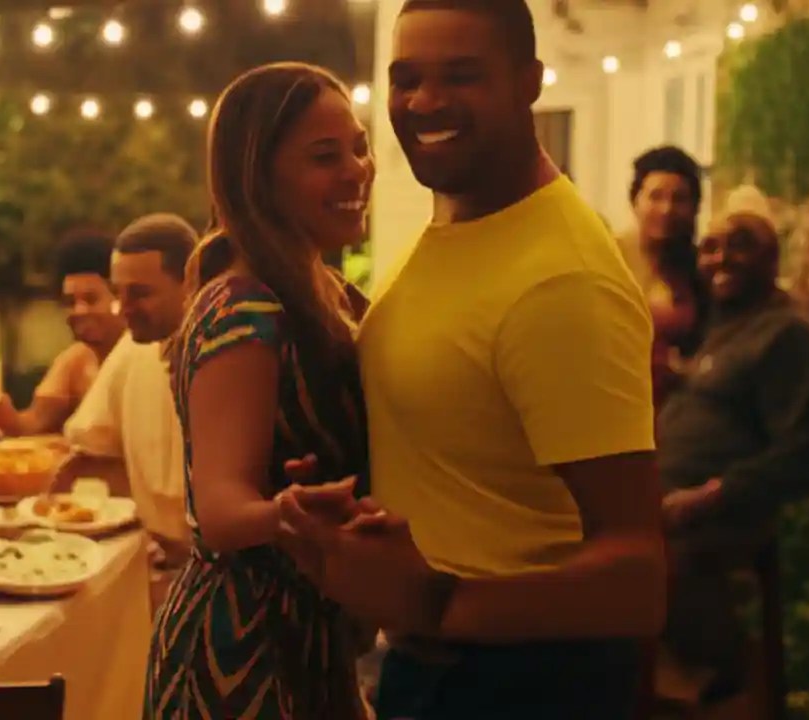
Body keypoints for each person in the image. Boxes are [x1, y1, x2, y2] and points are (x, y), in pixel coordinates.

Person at [277, 2, 665, 718]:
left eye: (461, 76)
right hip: (431, 665)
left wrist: (436, 600)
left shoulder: (561, 279)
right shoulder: (455, 224)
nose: (424, 102)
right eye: (406, 78)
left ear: (529, 82)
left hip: (523, 684)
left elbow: (636, 579)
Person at [143, 62, 374, 719]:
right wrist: (293, 511)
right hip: (244, 644)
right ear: (259, 177)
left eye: (359, 147)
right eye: (325, 157)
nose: (357, 170)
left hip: (304, 630)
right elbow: (219, 511)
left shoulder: (325, 291)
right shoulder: (245, 307)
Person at [656, 210, 809, 700]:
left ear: (772, 258)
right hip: (667, 507)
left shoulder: (786, 334)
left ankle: (706, 682)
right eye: (710, 247)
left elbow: (807, 454)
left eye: (739, 245)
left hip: (713, 520)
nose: (721, 258)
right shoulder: (724, 328)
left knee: (625, 567)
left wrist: (708, 497)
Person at [58, 214, 198, 566]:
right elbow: (91, 453)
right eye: (119, 293)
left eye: (140, 294)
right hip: (163, 563)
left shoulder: (230, 356)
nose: (124, 309)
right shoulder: (133, 349)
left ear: (191, 284)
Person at [0, 231, 126, 437]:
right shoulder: (74, 361)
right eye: (70, 302)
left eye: (91, 299)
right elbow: (32, 425)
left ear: (120, 299)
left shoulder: (145, 357)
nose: (79, 311)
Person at [621, 146, 709, 408]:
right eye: (655, 197)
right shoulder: (607, 260)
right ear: (635, 201)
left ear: (694, 208)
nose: (667, 209)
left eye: (679, 199)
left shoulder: (704, 270)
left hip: (679, 411)